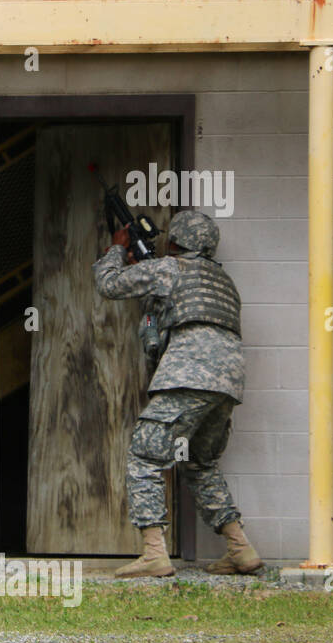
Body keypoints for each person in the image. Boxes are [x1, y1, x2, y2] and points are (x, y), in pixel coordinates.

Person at [93, 209, 262, 578]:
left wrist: (117, 250)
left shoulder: (170, 268)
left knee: (144, 455)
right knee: (199, 464)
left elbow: (109, 285)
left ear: (176, 242)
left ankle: (154, 553)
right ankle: (240, 549)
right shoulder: (223, 281)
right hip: (227, 384)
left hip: (189, 374)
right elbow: (166, 317)